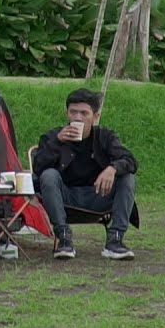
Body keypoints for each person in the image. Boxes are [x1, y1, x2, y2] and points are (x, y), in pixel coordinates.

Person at [32, 88, 138, 261]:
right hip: (65, 196)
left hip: (98, 194)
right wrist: (57, 143)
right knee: (49, 175)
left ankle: (115, 240)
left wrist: (112, 169)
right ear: (67, 113)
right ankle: (64, 238)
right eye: (73, 112)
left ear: (95, 117)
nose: (78, 118)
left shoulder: (105, 137)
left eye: (84, 113)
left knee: (127, 177)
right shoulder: (53, 137)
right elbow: (38, 168)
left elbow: (130, 160)